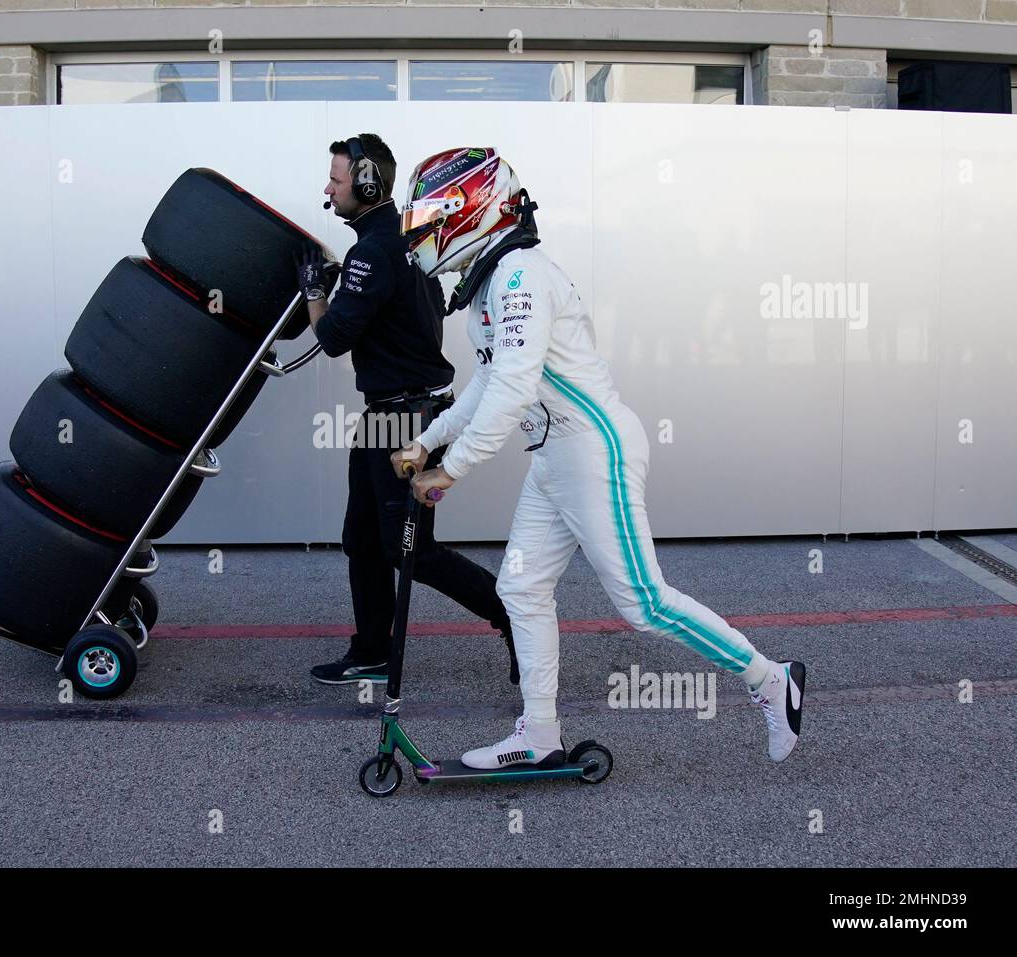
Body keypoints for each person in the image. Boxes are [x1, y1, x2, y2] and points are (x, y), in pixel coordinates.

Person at [390, 146, 807, 765]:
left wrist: (450, 467)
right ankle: (538, 737)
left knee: (644, 602)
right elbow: (487, 381)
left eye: (428, 225)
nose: (421, 241)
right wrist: (429, 440)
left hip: (593, 449)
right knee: (522, 587)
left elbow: (513, 386)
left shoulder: (520, 275)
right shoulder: (489, 285)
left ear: (469, 211)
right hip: (555, 457)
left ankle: (773, 680)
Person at [293, 134, 517, 686]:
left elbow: (337, 337)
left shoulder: (371, 250)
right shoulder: (408, 239)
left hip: (404, 419)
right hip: (393, 415)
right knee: (363, 540)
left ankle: (516, 619)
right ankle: (370, 651)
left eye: (336, 178)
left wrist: (313, 292)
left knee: (409, 548)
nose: (328, 188)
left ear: (366, 183)